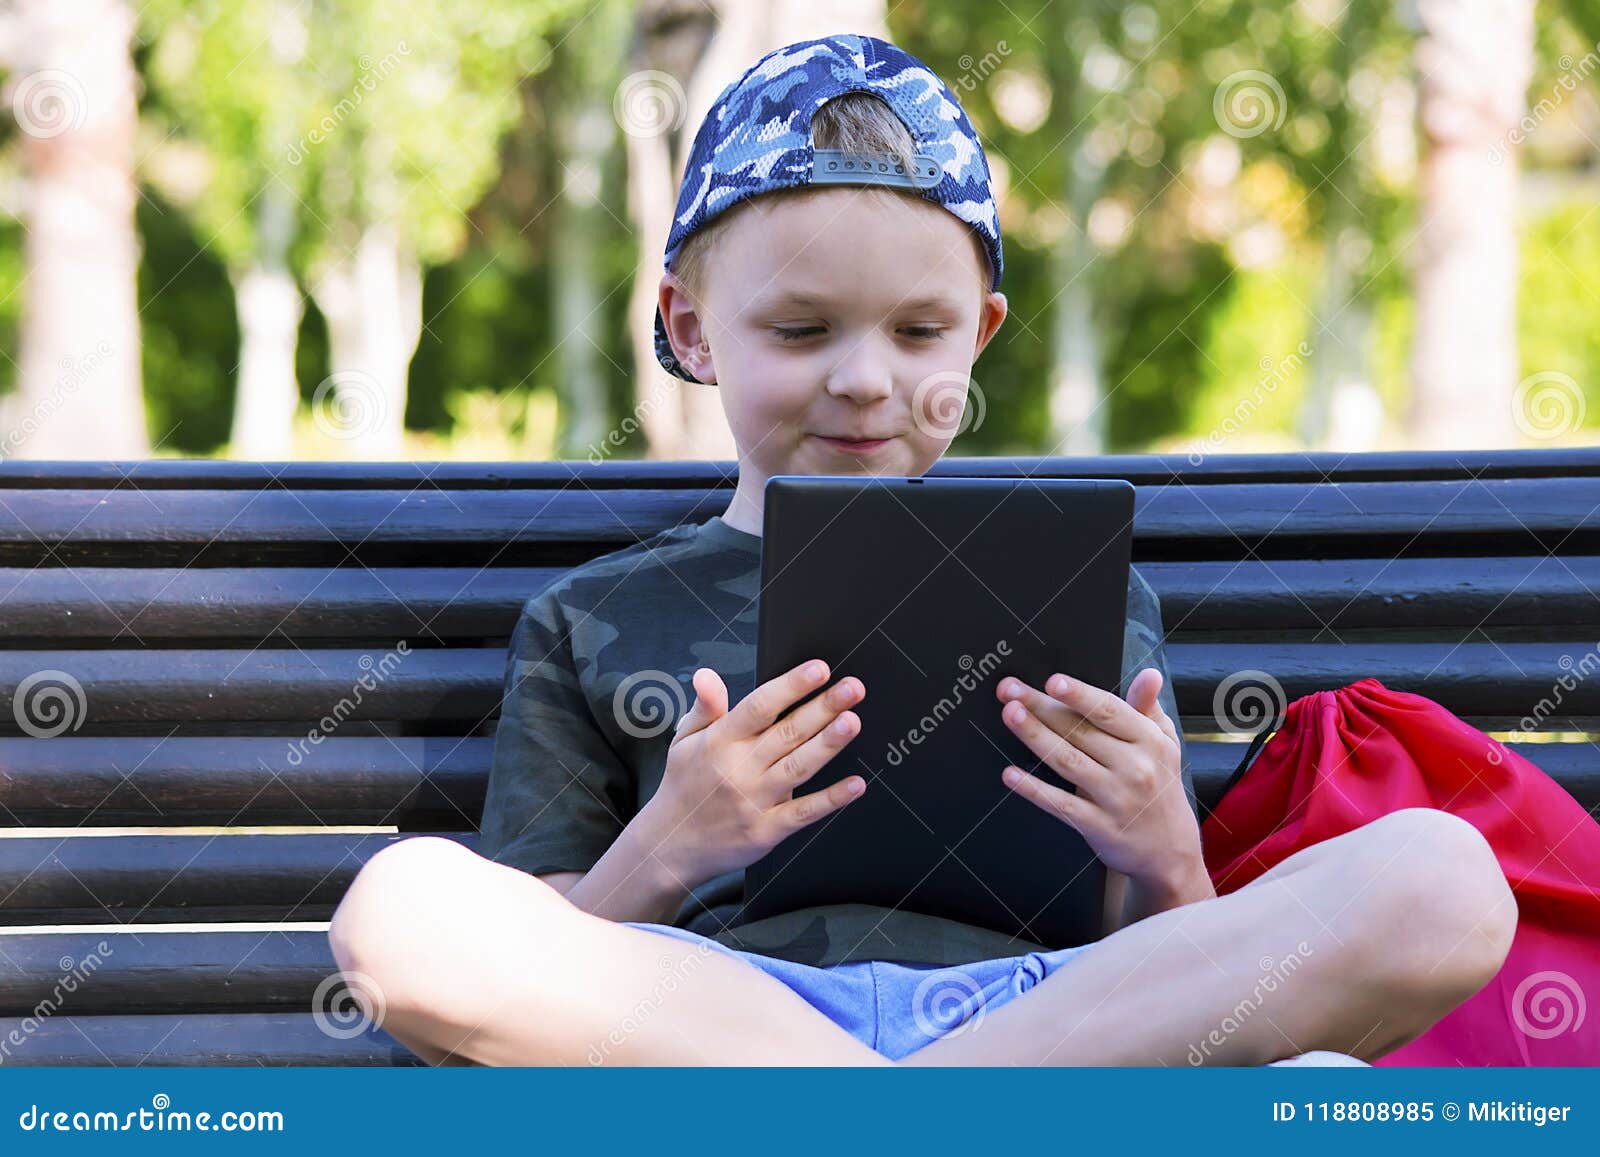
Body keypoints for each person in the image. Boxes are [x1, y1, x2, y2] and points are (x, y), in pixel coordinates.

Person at [327, 34, 1516, 1067]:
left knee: (1441, 877)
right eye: (802, 328)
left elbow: (1158, 961)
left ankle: (906, 1106)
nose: (863, 377)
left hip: (1045, 1018)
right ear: (691, 327)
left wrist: (1163, 854)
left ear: (978, 333)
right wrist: (670, 841)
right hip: (723, 1027)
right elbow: (543, 944)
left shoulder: (1081, 589)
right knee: (401, 907)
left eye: (917, 331)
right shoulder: (594, 616)